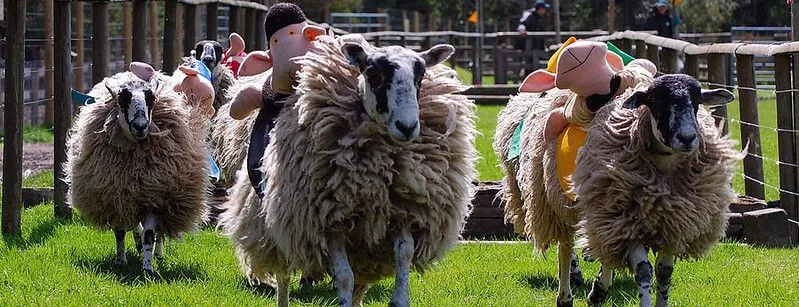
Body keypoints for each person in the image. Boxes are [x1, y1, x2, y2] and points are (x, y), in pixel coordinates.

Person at [516, 0, 550, 75]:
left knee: (538, 65)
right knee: (529, 66)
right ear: (540, 9)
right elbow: (522, 23)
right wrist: (522, 29)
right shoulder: (529, 15)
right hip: (529, 47)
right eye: (544, 9)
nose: (545, 11)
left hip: (537, 47)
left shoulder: (540, 18)